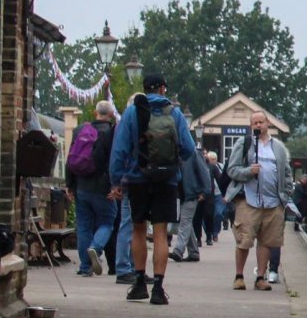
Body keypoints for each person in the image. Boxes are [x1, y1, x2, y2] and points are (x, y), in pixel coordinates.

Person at [107, 74, 197, 305]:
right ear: (163, 89)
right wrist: (173, 163)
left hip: (138, 179)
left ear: (144, 90)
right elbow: (188, 148)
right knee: (160, 233)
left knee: (138, 230)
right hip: (166, 180)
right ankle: (158, 287)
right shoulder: (175, 114)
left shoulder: (131, 113)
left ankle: (138, 283)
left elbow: (119, 150)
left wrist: (116, 180)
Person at [224, 111, 289, 291]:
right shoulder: (244, 144)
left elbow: (287, 173)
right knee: (244, 240)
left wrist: (285, 195)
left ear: (268, 123)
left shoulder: (279, 148)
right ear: (250, 126)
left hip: (273, 202)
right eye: (255, 123)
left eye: (261, 122)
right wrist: (248, 171)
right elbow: (232, 170)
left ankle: (261, 277)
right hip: (248, 200)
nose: (258, 126)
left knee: (267, 241)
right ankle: (239, 276)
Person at [66, 100, 117, 277]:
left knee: (83, 226)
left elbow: (70, 158)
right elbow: (113, 162)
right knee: (107, 222)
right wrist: (114, 185)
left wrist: (69, 185)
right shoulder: (111, 132)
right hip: (102, 187)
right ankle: (95, 247)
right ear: (111, 115)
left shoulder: (80, 130)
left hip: (81, 186)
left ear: (96, 113)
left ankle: (85, 267)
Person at [169, 137, 212, 263]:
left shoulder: (194, 153)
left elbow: (204, 172)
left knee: (185, 222)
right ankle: (193, 252)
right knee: (186, 223)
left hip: (191, 194)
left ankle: (178, 250)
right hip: (180, 194)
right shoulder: (175, 154)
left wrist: (205, 191)